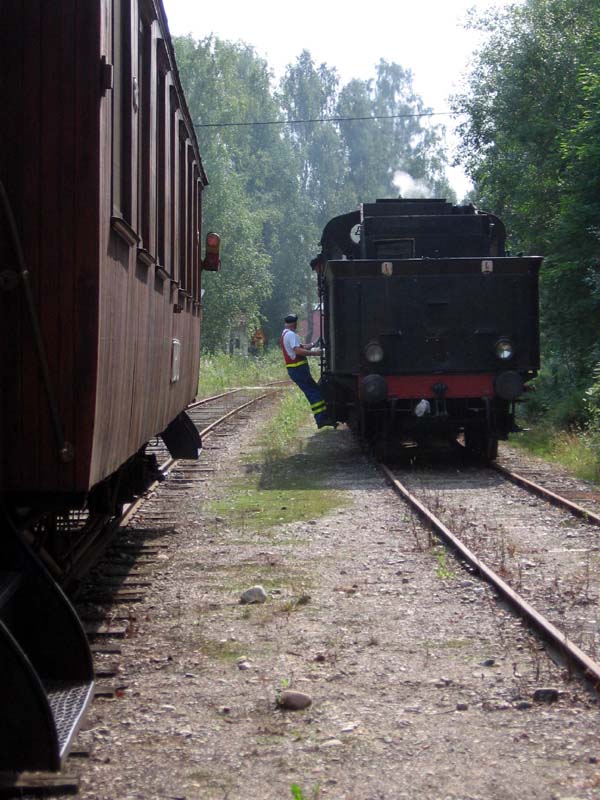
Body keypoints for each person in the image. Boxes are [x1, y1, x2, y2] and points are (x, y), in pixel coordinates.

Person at [280, 314, 333, 428]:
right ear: (294, 324)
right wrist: (316, 353)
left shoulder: (285, 334)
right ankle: (321, 419)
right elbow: (298, 351)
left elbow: (302, 346)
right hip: (298, 368)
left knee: (314, 391)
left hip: (296, 369)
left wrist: (314, 344)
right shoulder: (291, 334)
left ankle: (322, 418)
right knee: (314, 392)